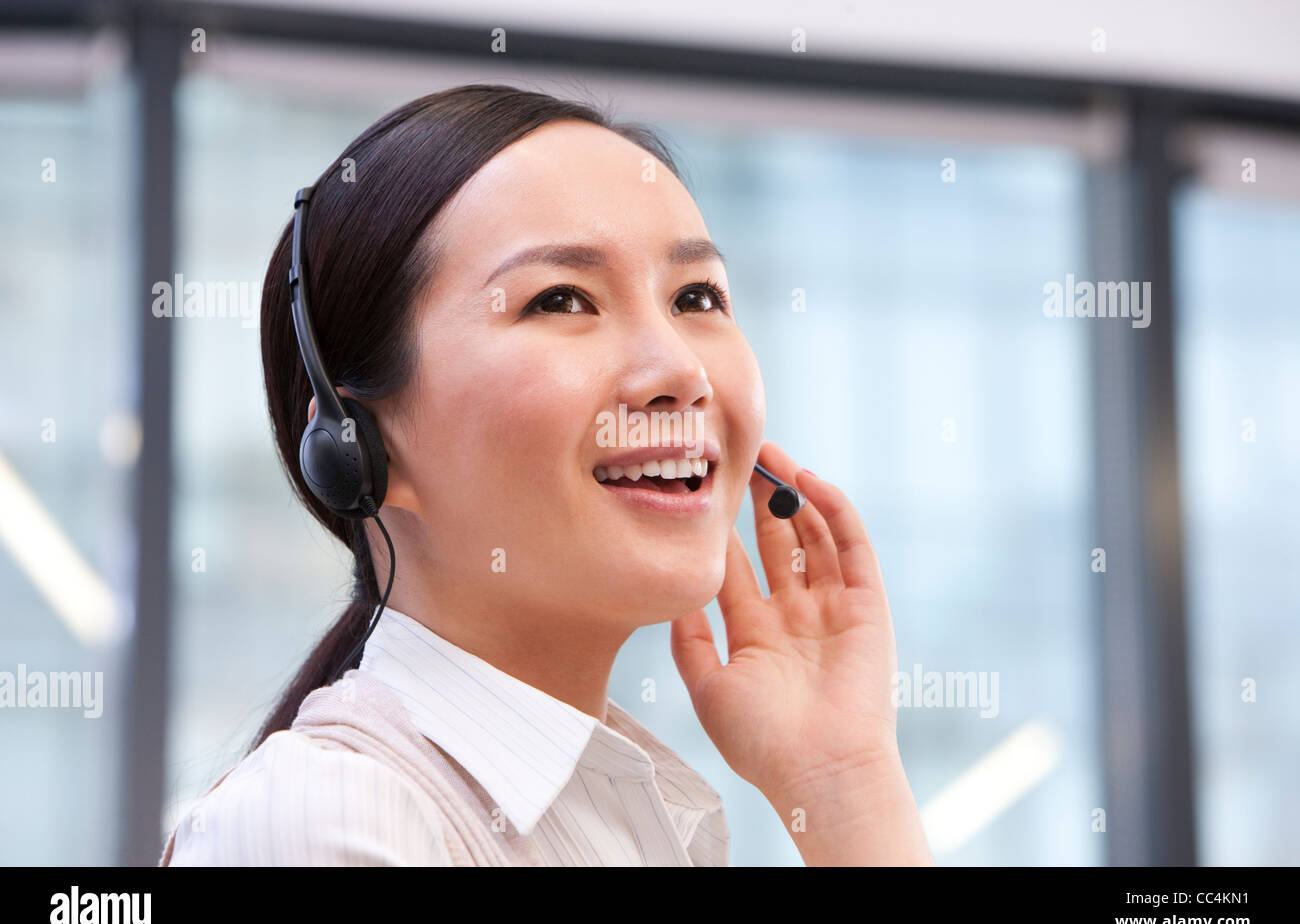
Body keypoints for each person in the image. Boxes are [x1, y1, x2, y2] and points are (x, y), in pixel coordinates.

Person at [162, 84, 933, 866]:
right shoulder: (326, 825)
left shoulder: (639, 824)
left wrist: (845, 787)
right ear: (358, 441)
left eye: (696, 296)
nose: (681, 368)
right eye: (562, 300)